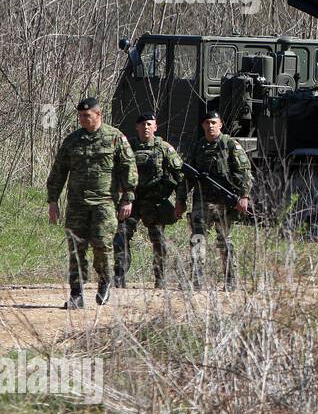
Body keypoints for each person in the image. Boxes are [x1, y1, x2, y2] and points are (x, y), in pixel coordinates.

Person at [46, 98, 137, 309]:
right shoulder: (72, 141)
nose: (83, 120)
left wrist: (127, 198)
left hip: (104, 203)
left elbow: (128, 168)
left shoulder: (115, 138)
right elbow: (59, 171)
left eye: (86, 116)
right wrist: (53, 201)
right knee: (76, 249)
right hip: (77, 204)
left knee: (102, 246)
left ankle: (104, 282)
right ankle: (76, 294)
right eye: (80, 116)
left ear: (98, 114)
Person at [113, 113, 185, 288]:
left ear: (155, 127)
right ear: (137, 127)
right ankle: (119, 276)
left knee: (158, 240)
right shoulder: (128, 147)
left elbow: (180, 175)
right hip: (132, 201)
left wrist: (180, 201)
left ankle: (160, 279)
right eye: (142, 124)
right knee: (120, 236)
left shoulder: (164, 148)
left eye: (149, 124)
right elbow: (115, 172)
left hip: (155, 202)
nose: (146, 127)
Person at [186, 111, 253, 289]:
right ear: (203, 125)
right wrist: (180, 199)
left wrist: (244, 196)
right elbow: (187, 177)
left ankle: (230, 280)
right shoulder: (198, 147)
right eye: (207, 122)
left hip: (225, 202)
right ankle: (197, 279)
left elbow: (244, 172)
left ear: (220, 124)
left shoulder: (230, 145)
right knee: (197, 237)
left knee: (224, 240)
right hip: (202, 201)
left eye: (214, 122)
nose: (210, 126)